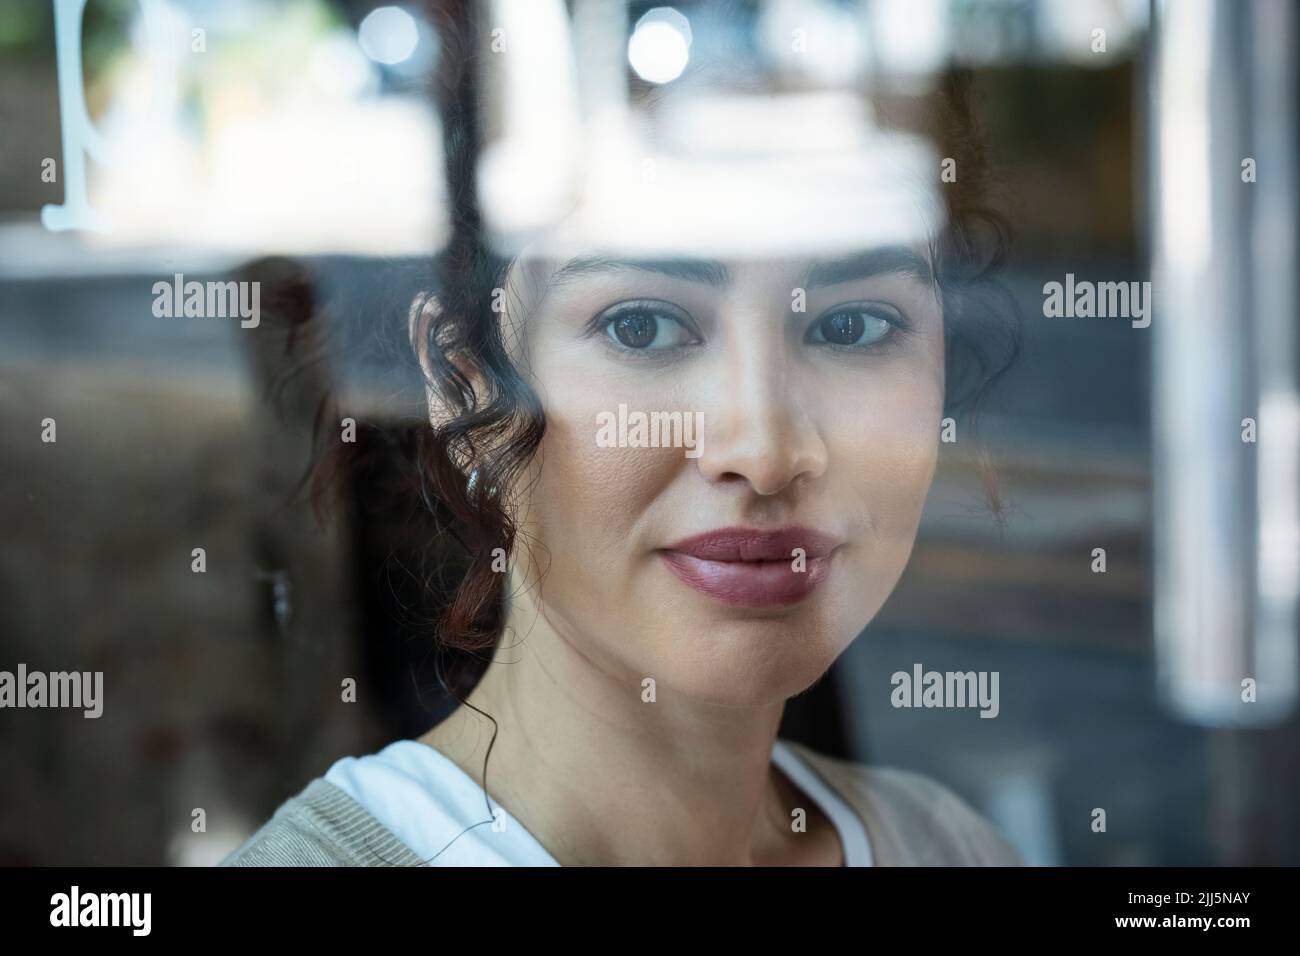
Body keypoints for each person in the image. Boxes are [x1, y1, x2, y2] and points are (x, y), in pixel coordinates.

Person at [221, 6, 1021, 868]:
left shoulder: (949, 846)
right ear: (464, 385)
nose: (764, 450)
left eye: (853, 327)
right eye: (640, 327)